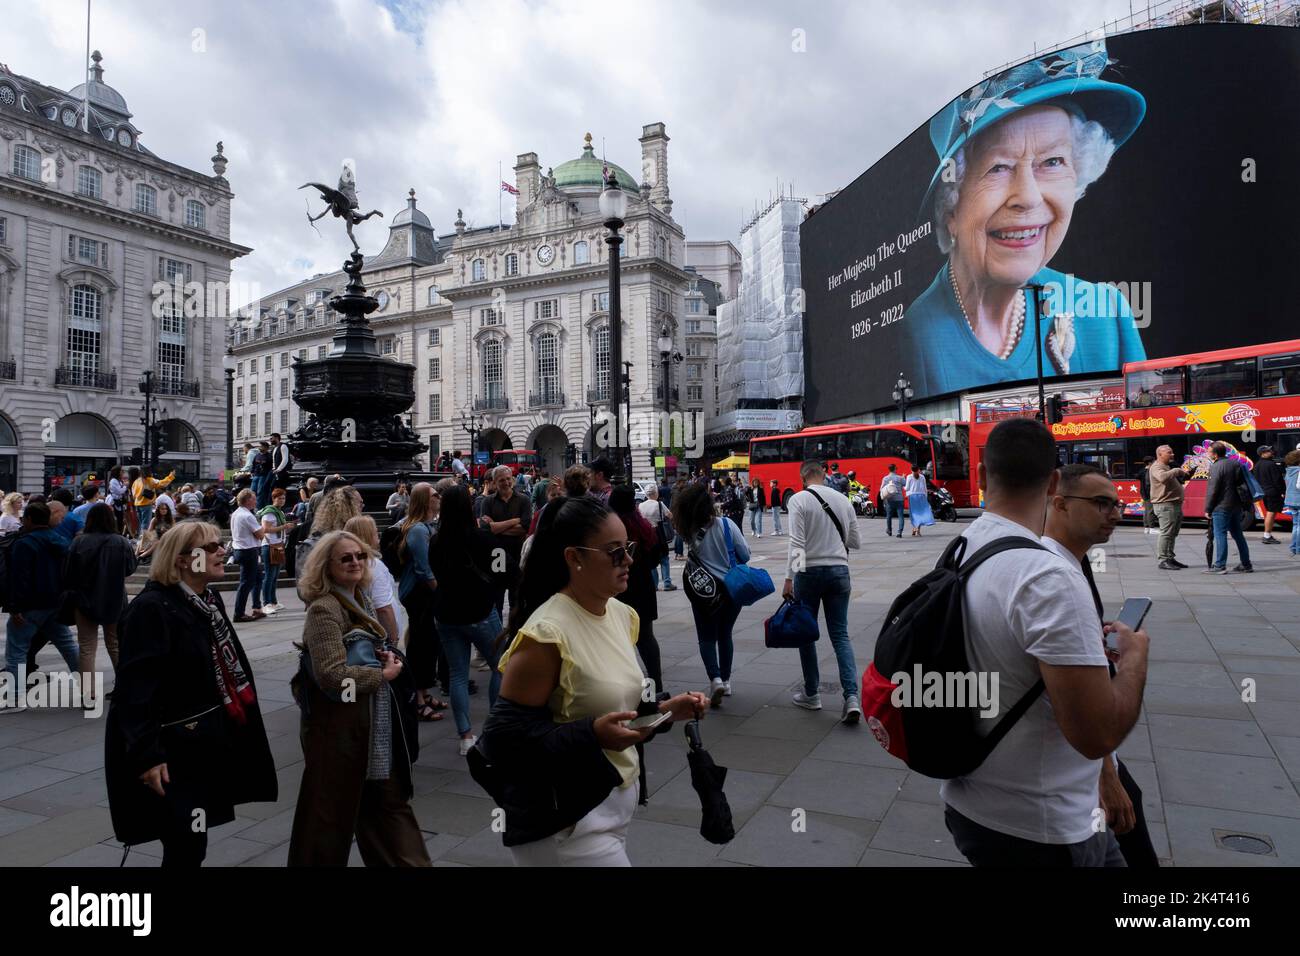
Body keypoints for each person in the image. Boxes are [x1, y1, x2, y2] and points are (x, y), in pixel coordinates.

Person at [942, 418, 1146, 867]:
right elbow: (1096, 735)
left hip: (972, 800)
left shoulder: (964, 546)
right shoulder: (1048, 576)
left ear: (980, 475)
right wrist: (1134, 660)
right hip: (1044, 826)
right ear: (1054, 482)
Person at [899, 39, 1147, 398]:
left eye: (1053, 162)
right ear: (950, 208)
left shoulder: (1105, 313)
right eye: (998, 168)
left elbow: (1150, 418)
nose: (1028, 197)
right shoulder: (918, 335)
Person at [478, 495, 707, 865]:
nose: (629, 560)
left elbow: (610, 705)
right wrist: (593, 734)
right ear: (575, 557)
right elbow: (503, 740)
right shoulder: (547, 634)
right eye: (614, 552)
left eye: (628, 548)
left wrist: (665, 711)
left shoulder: (620, 614)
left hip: (612, 805)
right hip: (566, 822)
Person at [106, 519, 277, 865]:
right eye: (211, 547)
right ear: (182, 559)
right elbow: (135, 691)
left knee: (193, 839)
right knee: (185, 843)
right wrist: (147, 755)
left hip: (204, 739)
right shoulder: (152, 608)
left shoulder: (206, 600)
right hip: (173, 746)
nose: (222, 551)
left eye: (220, 544)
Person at [287, 530, 430, 867]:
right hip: (339, 732)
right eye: (345, 558)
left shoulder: (359, 599)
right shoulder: (324, 608)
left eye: (359, 556)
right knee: (326, 823)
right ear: (326, 566)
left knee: (384, 806)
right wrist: (382, 675)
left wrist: (382, 657)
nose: (355, 562)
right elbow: (332, 675)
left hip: (369, 728)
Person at [1043, 463, 1160, 868]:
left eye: (1116, 503)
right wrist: (1106, 776)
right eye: (1100, 504)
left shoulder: (1077, 562)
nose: (1116, 513)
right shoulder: (1055, 575)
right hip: (1078, 766)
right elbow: (1060, 698)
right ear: (1059, 503)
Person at [782, 460, 861, 723]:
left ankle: (812, 694)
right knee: (840, 634)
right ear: (825, 475)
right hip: (839, 571)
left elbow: (797, 541)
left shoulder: (799, 500)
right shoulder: (842, 499)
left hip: (809, 572)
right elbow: (855, 541)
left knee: (807, 633)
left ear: (803, 478)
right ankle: (851, 697)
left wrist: (788, 578)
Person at [428, 486, 503, 755]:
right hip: (479, 611)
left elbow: (435, 571)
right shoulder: (481, 538)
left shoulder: (436, 541)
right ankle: (493, 730)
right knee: (499, 667)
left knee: (458, 675)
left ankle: (465, 736)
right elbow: (504, 569)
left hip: (447, 614)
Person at [675, 481, 747, 706]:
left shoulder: (690, 531)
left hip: (703, 590)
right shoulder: (727, 525)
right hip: (731, 589)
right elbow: (745, 554)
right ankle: (726, 681)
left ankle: (714, 678)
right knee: (725, 634)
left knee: (706, 637)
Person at [1, 501, 80, 696]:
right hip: (56, 602)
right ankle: (88, 688)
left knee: (17, 650)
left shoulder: (24, 544)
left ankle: (15, 696)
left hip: (31, 604)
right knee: (69, 647)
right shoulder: (62, 542)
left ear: (28, 519)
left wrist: (14, 606)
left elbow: (21, 578)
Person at [65, 503, 137, 708]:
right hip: (114, 598)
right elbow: (130, 568)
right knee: (115, 645)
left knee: (87, 648)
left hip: (84, 599)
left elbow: (68, 572)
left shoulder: (78, 542)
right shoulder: (120, 542)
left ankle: (89, 696)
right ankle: (125, 688)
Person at [396, 482, 448, 720]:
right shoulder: (418, 530)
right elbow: (424, 569)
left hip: (425, 593)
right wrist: (442, 594)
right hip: (419, 594)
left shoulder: (428, 526)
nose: (439, 498)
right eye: (435, 495)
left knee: (429, 642)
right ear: (425, 501)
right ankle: (417, 699)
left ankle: (424, 693)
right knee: (421, 644)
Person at [610, 485, 665, 698]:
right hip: (643, 587)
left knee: (622, 642)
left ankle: (631, 691)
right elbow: (655, 557)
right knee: (646, 639)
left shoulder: (613, 528)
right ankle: (655, 689)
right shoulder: (643, 526)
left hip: (619, 589)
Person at [480, 464, 532, 619]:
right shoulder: (487, 502)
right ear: (495, 482)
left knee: (516, 597)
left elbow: (525, 527)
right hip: (498, 555)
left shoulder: (524, 500)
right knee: (497, 596)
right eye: (502, 480)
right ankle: (498, 635)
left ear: (513, 480)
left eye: (508, 479)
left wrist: (497, 526)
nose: (506, 483)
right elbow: (486, 529)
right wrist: (514, 521)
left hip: (517, 553)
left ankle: (514, 633)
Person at [344, 515, 402, 644]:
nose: (378, 536)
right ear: (367, 536)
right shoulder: (373, 565)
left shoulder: (357, 564)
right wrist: (393, 639)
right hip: (379, 636)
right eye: (376, 533)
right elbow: (383, 608)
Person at [1203, 442, 1253, 574]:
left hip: (1221, 505)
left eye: (1209, 451)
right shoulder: (1235, 463)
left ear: (1214, 454)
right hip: (1236, 505)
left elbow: (1213, 490)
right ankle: (1246, 564)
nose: (1208, 453)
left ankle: (1220, 565)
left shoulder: (1216, 466)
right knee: (1238, 534)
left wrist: (1208, 508)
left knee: (1220, 534)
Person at [1148, 444, 1193, 570]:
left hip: (1174, 504)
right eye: (1169, 452)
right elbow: (1162, 478)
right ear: (1160, 455)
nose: (1172, 454)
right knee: (1166, 533)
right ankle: (1163, 559)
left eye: (1172, 452)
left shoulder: (1166, 466)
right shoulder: (1156, 467)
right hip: (1165, 505)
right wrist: (1177, 471)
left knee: (1172, 533)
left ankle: (1170, 558)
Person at [229, 489, 267, 622]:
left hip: (239, 549)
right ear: (247, 500)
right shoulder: (248, 516)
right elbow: (260, 535)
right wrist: (262, 528)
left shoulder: (236, 513)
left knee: (257, 578)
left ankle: (257, 608)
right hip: (248, 550)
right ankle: (238, 613)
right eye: (254, 498)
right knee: (246, 583)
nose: (256, 500)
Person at [257, 488, 295, 614]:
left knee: (275, 575)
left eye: (283, 498)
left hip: (278, 544)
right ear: (274, 499)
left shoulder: (280, 512)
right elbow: (266, 529)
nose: (282, 501)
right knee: (269, 575)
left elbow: (276, 528)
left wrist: (286, 528)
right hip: (269, 545)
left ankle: (273, 601)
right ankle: (266, 603)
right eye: (279, 498)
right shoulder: (269, 512)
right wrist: (284, 526)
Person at [637, 484, 676, 592]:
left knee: (651, 559)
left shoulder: (640, 506)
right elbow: (670, 515)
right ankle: (667, 582)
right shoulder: (659, 504)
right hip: (658, 533)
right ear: (656, 493)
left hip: (646, 534)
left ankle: (654, 584)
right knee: (664, 558)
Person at [1255, 446, 1285, 544]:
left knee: (1269, 512)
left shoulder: (1257, 465)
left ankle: (1268, 534)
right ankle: (1267, 535)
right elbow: (1277, 480)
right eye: (1268, 451)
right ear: (1262, 454)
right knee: (1271, 513)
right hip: (1273, 492)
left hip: (1264, 492)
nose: (1271, 452)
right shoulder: (1271, 464)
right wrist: (1282, 492)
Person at [132, 466, 175, 534]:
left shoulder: (136, 481)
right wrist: (171, 476)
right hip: (146, 504)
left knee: (140, 523)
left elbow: (133, 494)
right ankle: (144, 539)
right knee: (146, 524)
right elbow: (162, 484)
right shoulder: (150, 480)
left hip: (137, 504)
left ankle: (140, 537)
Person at [905, 464, 935, 536]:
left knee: (914, 513)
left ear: (911, 470)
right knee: (920, 513)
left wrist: (903, 485)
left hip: (913, 496)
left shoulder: (909, 477)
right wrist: (926, 497)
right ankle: (917, 529)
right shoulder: (922, 477)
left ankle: (915, 528)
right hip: (921, 496)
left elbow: (907, 488)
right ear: (918, 469)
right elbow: (925, 488)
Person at [880, 463, 907, 538]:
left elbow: (881, 489)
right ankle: (899, 532)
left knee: (889, 516)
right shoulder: (900, 478)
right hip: (899, 499)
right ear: (895, 469)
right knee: (900, 516)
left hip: (890, 499)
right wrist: (903, 477)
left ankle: (889, 530)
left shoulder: (885, 478)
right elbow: (905, 485)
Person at [1284, 449, 1300, 557]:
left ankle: (1293, 547)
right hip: (1299, 500)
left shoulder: (1289, 470)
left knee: (1295, 525)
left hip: (1290, 500)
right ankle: (1298, 548)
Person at [107, 465, 131, 535]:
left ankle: (119, 533)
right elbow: (119, 491)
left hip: (120, 503)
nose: (123, 472)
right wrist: (125, 486)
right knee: (117, 520)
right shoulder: (113, 481)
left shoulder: (118, 480)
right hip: (114, 502)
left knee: (120, 520)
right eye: (121, 471)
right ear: (117, 472)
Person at [250, 441, 273, 509]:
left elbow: (271, 467)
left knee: (260, 492)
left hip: (263, 476)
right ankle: (252, 507)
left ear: (266, 447)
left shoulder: (269, 456)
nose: (259, 448)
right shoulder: (257, 455)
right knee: (252, 491)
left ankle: (258, 508)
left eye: (261, 446)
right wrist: (252, 472)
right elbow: (254, 464)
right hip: (256, 475)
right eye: (259, 446)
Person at [1136, 456, 1156, 535]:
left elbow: (1137, 477)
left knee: (1146, 510)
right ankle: (1151, 528)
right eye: (1153, 461)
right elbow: (1148, 484)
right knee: (1150, 510)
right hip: (1149, 493)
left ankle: (1146, 528)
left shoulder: (1142, 471)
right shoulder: (1149, 471)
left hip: (1143, 493)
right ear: (1150, 462)